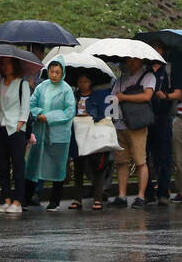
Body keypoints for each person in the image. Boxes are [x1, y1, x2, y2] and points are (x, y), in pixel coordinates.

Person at [26, 54, 76, 211]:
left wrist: (48, 117)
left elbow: (69, 112)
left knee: (57, 166)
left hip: (58, 135)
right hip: (40, 132)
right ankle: (26, 198)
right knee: (33, 164)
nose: (53, 75)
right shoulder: (42, 87)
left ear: (62, 73)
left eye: (57, 72)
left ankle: (55, 201)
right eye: (51, 71)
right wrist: (38, 113)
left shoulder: (66, 89)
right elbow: (31, 103)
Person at [110, 54, 158, 208]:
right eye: (128, 60)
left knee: (140, 161)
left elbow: (147, 96)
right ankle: (122, 195)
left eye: (135, 59)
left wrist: (124, 97)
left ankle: (141, 196)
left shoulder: (148, 76)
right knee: (121, 161)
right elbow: (113, 97)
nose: (131, 62)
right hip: (120, 124)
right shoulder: (121, 79)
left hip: (137, 124)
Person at [0, 57, 32, 214]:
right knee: (3, 166)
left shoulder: (22, 84)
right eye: (3, 63)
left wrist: (20, 124)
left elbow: (25, 107)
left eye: (9, 63)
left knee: (18, 166)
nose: (5, 66)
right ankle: (6, 199)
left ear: (15, 65)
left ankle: (18, 201)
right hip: (0, 127)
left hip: (15, 128)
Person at [70, 71, 111, 209]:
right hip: (77, 135)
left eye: (85, 81)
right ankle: (77, 198)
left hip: (92, 135)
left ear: (91, 82)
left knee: (97, 166)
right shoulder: (73, 97)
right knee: (78, 167)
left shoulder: (97, 97)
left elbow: (103, 115)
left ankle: (97, 198)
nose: (83, 84)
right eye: (80, 81)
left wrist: (91, 117)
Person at [145, 50, 175, 205]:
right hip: (145, 118)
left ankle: (163, 192)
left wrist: (167, 96)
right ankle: (147, 192)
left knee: (164, 158)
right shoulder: (145, 70)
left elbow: (178, 93)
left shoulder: (169, 71)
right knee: (144, 157)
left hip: (163, 118)